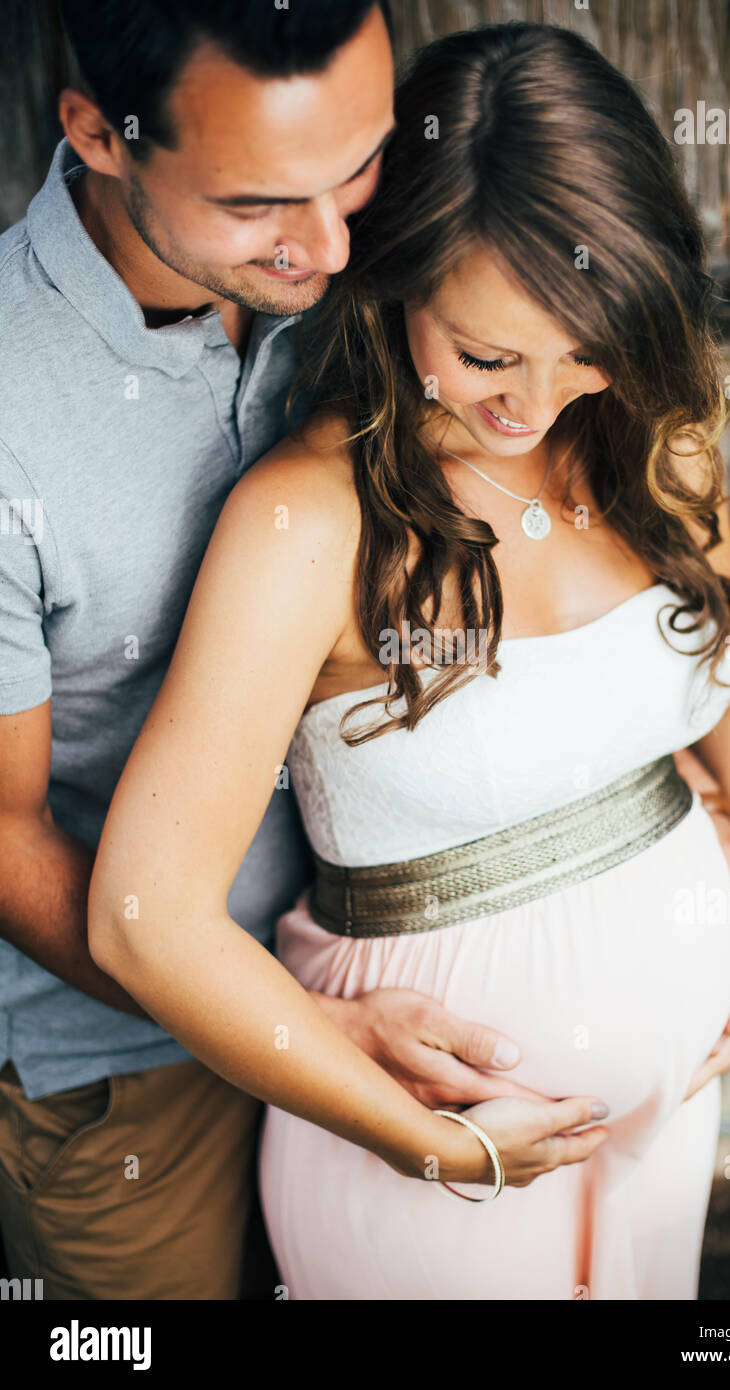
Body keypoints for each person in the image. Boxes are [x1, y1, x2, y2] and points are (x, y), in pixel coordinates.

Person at [88, 23, 730, 1300]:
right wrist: (434, 1141)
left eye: (580, 351)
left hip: (668, 1115)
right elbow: (146, 923)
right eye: (484, 358)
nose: (534, 407)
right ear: (396, 281)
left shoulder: (651, 436)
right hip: (421, 1155)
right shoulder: (304, 524)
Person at [0, 0, 613, 1302]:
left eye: (359, 163)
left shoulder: (379, 265)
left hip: (373, 968)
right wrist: (292, 1023)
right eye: (261, 202)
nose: (334, 243)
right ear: (99, 137)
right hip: (128, 1072)